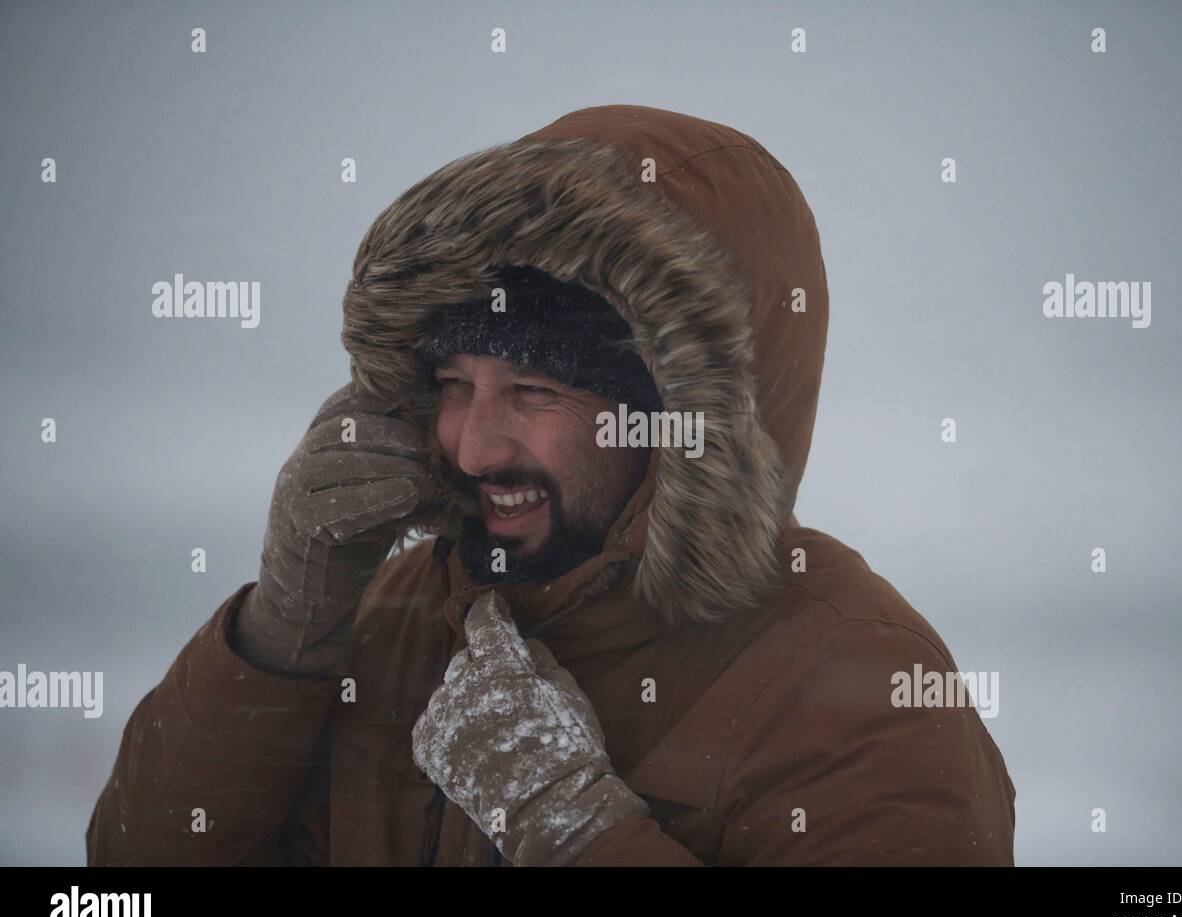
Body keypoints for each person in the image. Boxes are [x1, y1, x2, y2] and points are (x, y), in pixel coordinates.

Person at [86, 104, 1015, 866]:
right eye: (453, 387)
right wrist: (281, 636)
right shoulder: (400, 613)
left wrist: (578, 831)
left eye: (533, 391)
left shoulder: (863, 685)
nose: (475, 447)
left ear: (678, 420)